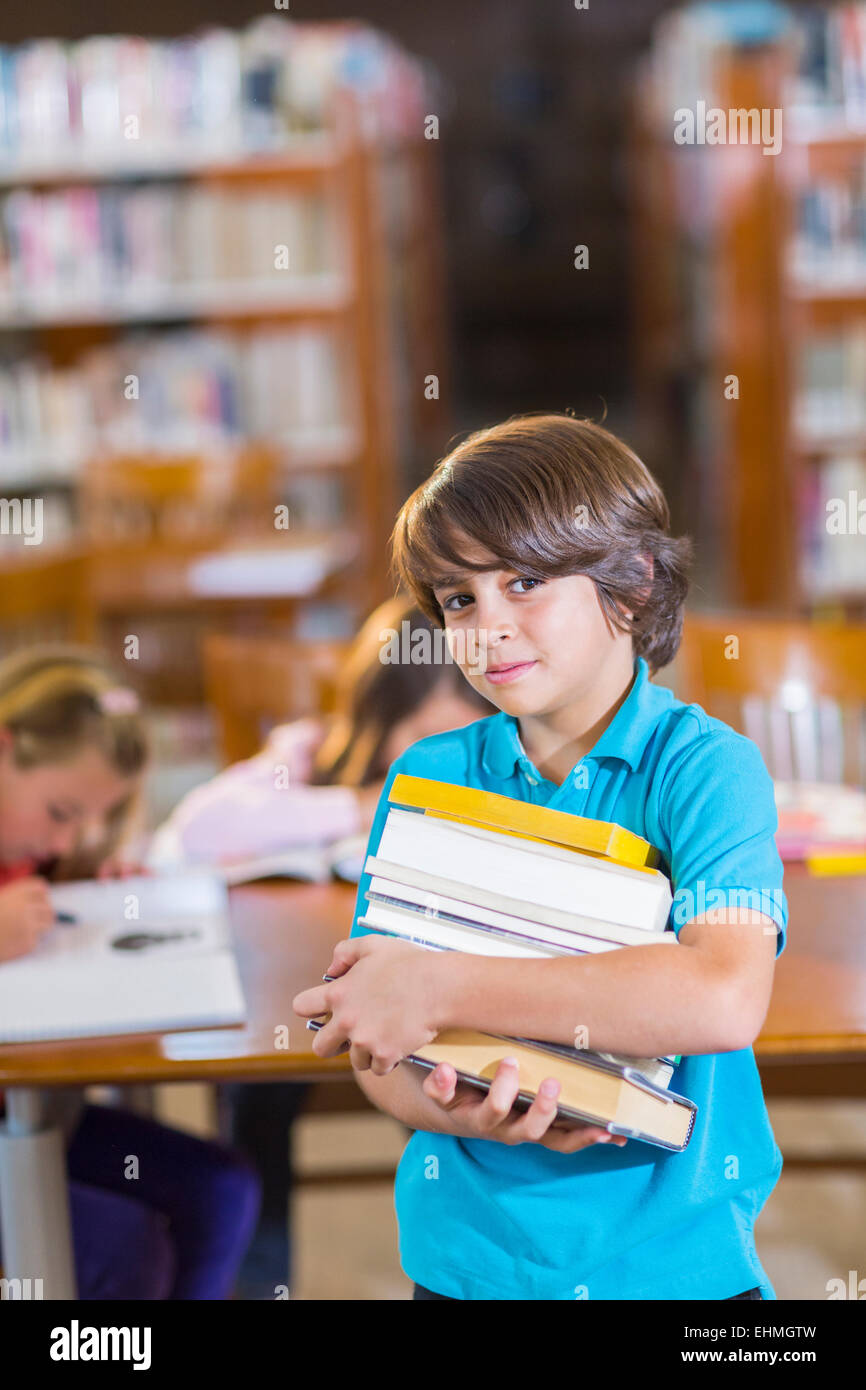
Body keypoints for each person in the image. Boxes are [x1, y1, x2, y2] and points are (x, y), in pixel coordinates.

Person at [294, 413, 787, 1302]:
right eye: (459, 599)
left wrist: (440, 986)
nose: (488, 627)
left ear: (631, 581)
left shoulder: (710, 770)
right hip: (467, 1263)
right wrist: (463, 1107)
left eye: (525, 581)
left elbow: (722, 996)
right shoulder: (427, 774)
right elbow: (381, 1052)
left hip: (677, 1271)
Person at [150, 596, 495, 1298]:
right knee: (256, 1097)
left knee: (449, 1081)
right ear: (376, 724)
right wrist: (366, 802)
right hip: (295, 994)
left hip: (425, 1001)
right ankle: (257, 1282)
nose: (443, 764)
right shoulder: (307, 756)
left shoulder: (499, 777)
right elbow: (190, 833)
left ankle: (461, 1271)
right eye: (424, 741)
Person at [0, 646, 261, 1299]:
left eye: (88, 821)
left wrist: (93, 889)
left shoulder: (28, 854)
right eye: (62, 813)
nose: (64, 841)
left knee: (222, 1189)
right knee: (125, 1247)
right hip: (18, 1133)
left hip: (32, 1120)